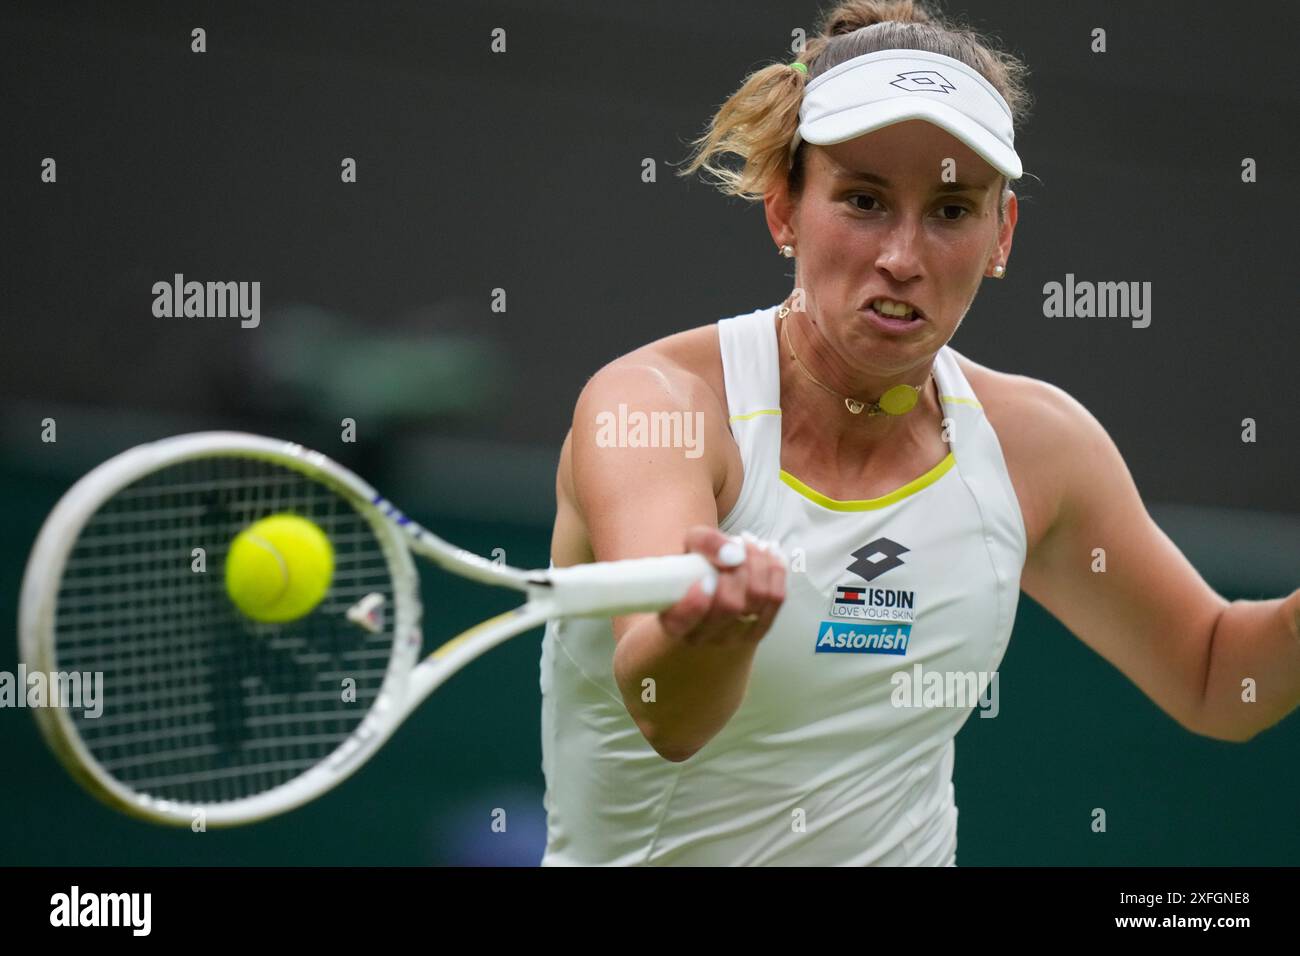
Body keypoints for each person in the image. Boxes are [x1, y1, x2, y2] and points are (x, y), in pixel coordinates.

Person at [538, 0, 1300, 866]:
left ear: (1000, 235)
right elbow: (662, 712)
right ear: (784, 208)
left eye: (949, 210)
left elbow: (1216, 679)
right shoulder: (655, 411)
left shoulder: (1038, 447)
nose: (903, 254)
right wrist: (711, 631)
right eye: (863, 200)